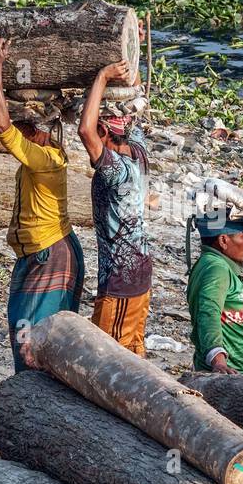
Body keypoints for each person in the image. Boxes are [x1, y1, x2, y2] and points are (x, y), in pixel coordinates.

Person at [0, 35, 83, 371]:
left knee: (31, 337)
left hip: (48, 253)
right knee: (38, 330)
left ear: (39, 130)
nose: (19, 133)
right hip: (46, 251)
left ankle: (34, 397)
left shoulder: (43, 158)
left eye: (24, 127)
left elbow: (0, 125)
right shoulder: (45, 155)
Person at [78, 60, 151, 356]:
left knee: (109, 357)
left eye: (100, 130)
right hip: (139, 271)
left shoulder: (116, 169)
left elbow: (85, 131)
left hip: (122, 279)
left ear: (105, 131)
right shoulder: (138, 151)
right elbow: (135, 105)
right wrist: (129, 52)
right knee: (133, 349)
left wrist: (103, 75)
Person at [187, 212, 243, 374]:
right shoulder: (216, 269)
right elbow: (208, 313)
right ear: (223, 241)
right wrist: (218, 361)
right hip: (236, 374)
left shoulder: (217, 265)